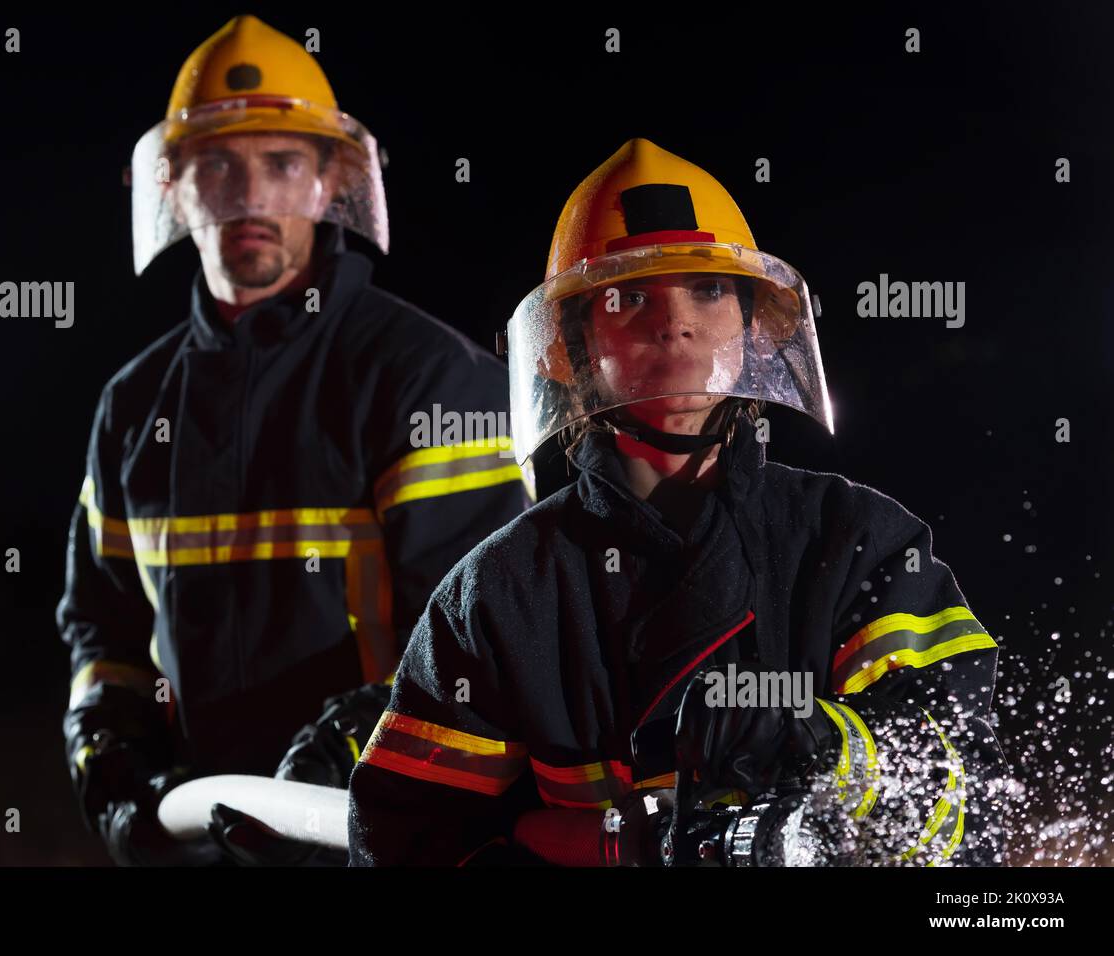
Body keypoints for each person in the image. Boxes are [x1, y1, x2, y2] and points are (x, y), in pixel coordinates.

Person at [347, 139, 1011, 866]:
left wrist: (821, 743)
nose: (675, 324)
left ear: (756, 325)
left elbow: (955, 780)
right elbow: (407, 841)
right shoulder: (498, 594)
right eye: (626, 297)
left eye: (708, 289)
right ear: (567, 349)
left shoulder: (858, 542)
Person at [57, 15, 528, 866]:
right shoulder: (133, 407)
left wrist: (345, 761)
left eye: (281, 164)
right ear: (174, 186)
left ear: (327, 183)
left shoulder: (425, 379)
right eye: (219, 167)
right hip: (199, 838)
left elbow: (484, 642)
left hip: (376, 833)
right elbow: (106, 632)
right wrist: (111, 760)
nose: (251, 199)